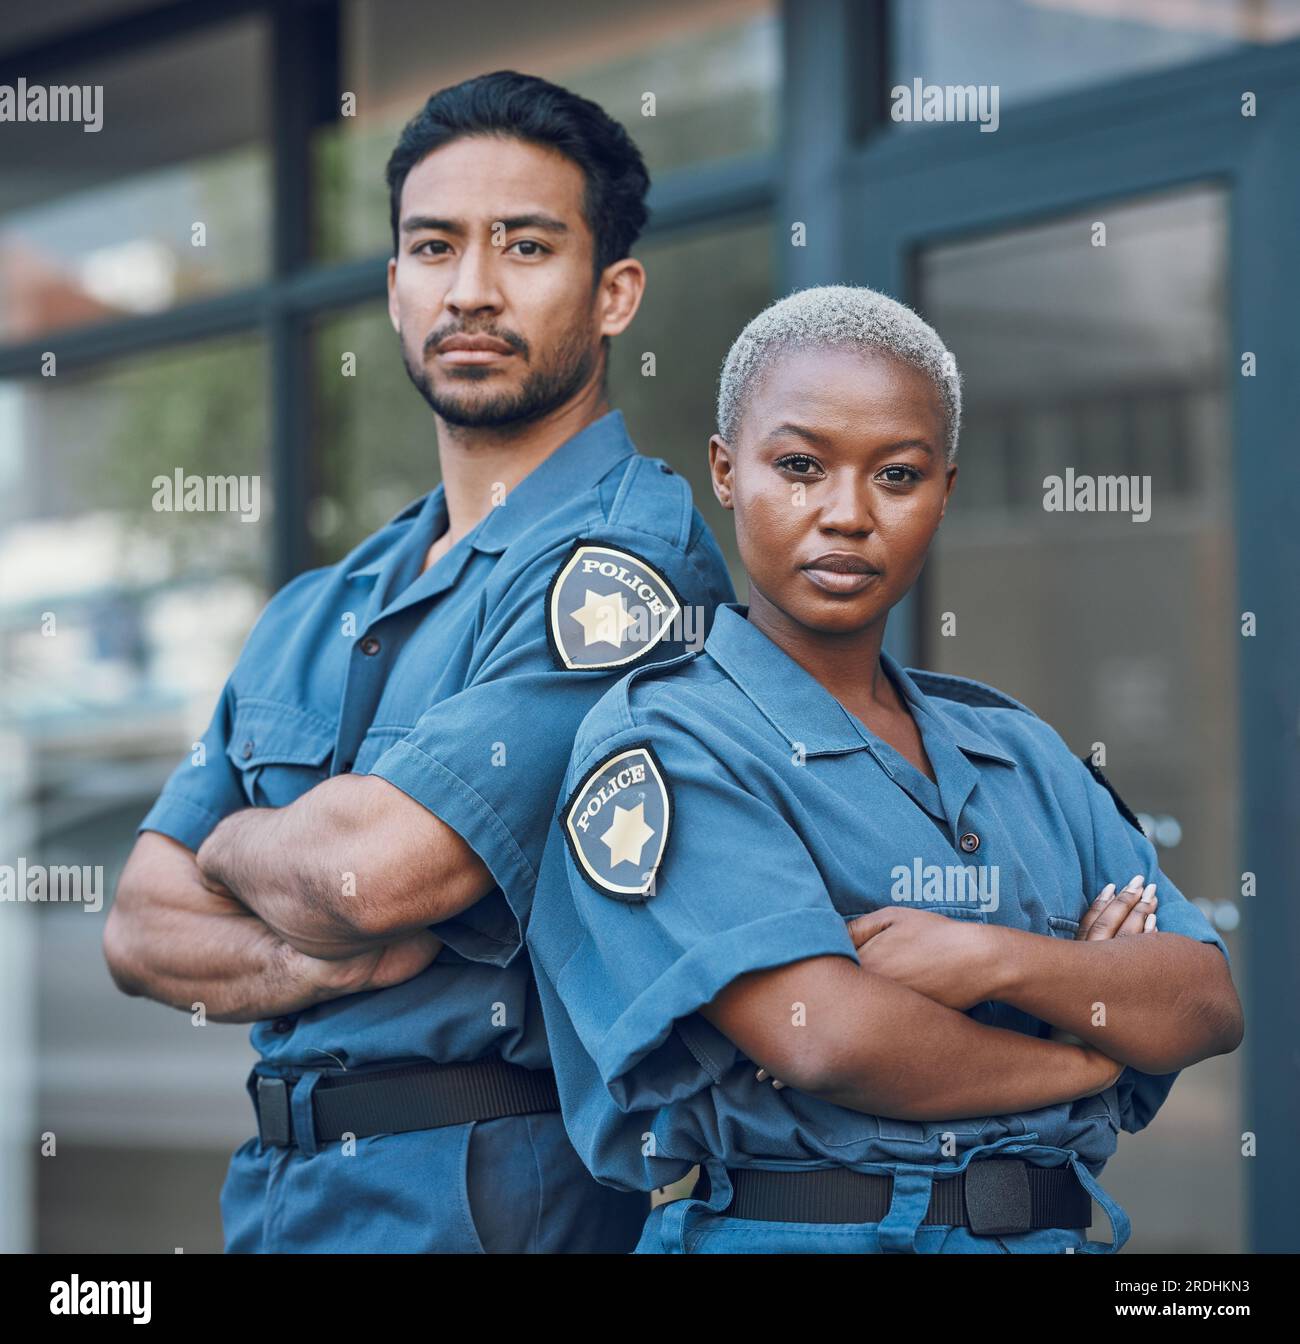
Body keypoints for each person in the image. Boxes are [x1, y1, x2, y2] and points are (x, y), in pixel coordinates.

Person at [102, 70, 735, 1254]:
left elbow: (368, 883)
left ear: (614, 294)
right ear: (396, 290)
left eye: (526, 247)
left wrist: (231, 845)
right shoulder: (317, 605)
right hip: (281, 1197)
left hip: (487, 1198)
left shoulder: (623, 570)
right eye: (434, 248)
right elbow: (139, 929)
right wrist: (326, 963)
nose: (472, 290)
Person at [526, 284, 1244, 1254]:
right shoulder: (666, 740)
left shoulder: (1014, 749)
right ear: (726, 471)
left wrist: (990, 959)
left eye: (896, 476)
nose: (846, 515)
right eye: (798, 467)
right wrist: (1087, 1054)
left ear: (943, 492)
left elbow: (1202, 1000)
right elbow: (826, 1037)